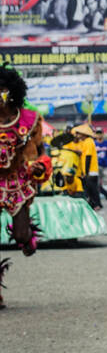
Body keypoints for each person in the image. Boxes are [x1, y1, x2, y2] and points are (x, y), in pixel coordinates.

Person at [0, 65, 48, 307]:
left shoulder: (28, 120)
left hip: (17, 181)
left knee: (20, 235)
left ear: (10, 92)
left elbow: (40, 153)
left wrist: (39, 166)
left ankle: (27, 236)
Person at [70, 124, 101, 210]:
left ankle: (96, 204)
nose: (78, 136)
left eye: (79, 134)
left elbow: (88, 157)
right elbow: (83, 154)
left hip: (91, 170)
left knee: (92, 188)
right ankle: (96, 204)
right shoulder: (86, 142)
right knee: (92, 188)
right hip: (90, 170)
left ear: (84, 134)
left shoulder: (88, 141)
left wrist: (86, 172)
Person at [95, 129, 107, 202]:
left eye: (100, 133)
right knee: (96, 184)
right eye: (97, 133)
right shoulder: (94, 143)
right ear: (95, 135)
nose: (99, 135)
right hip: (96, 166)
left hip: (106, 166)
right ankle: (101, 197)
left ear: (103, 134)